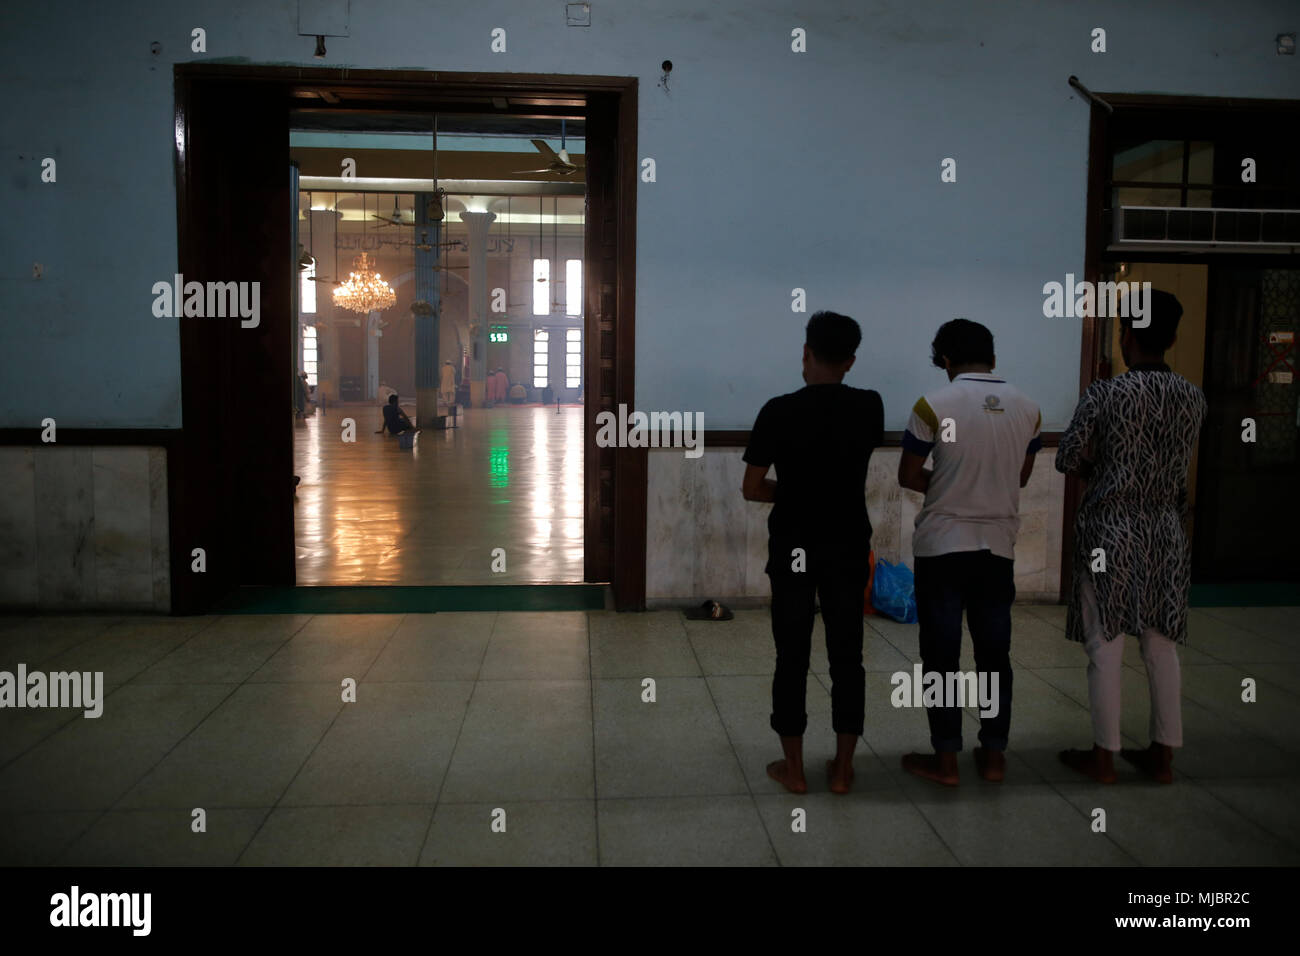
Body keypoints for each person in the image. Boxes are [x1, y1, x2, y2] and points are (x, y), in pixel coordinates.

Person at [1056, 290, 1206, 785]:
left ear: (1126, 336)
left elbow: (1066, 457)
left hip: (1110, 533)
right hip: (1166, 530)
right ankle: (1163, 755)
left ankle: (1104, 757)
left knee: (1106, 643)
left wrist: (1103, 471)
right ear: (1172, 339)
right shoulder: (1192, 396)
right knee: (1161, 646)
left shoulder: (1106, 394)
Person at [742, 310, 885, 795]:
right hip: (847, 546)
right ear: (850, 360)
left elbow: (752, 487)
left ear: (805, 353)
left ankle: (795, 770)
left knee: (792, 654)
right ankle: (843, 771)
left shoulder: (777, 410)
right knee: (848, 656)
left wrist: (798, 492)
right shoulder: (870, 406)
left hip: (794, 549)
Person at [897, 319, 1041, 786]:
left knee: (941, 656)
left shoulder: (932, 405)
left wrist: (947, 489)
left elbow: (907, 474)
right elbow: (1020, 477)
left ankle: (945, 762)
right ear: (993, 359)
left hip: (942, 547)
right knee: (994, 654)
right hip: (997, 548)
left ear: (944, 360)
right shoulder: (1029, 409)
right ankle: (994, 755)